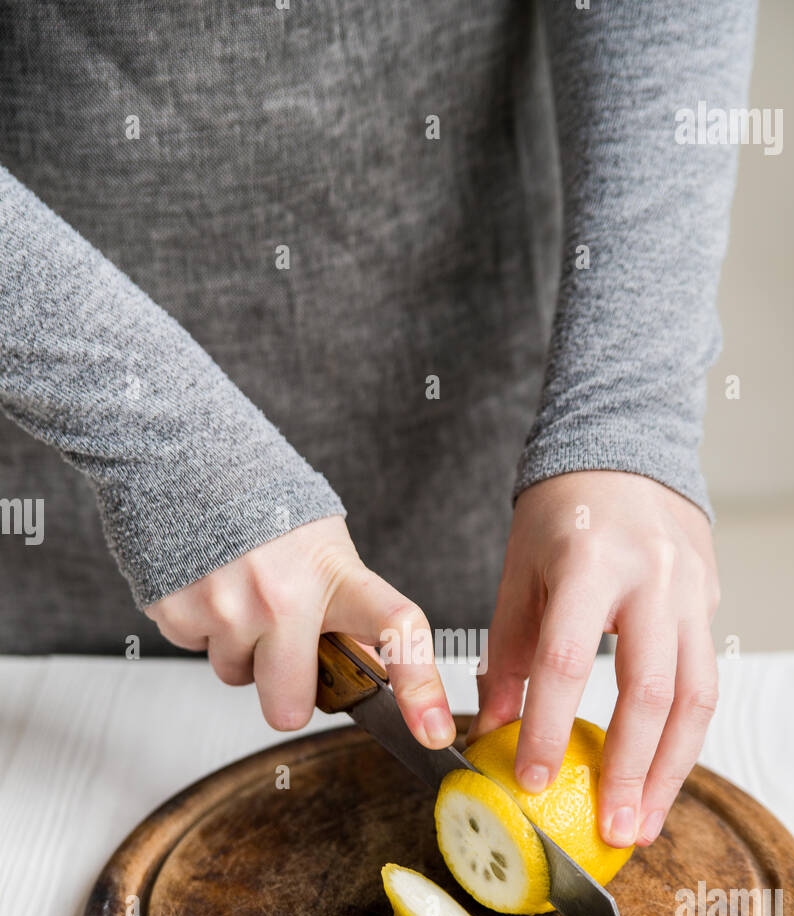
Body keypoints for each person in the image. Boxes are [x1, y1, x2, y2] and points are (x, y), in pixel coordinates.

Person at [0, 1, 755, 850]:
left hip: (482, 464)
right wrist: (168, 453)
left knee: (525, 707)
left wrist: (627, 409)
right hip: (53, 539)